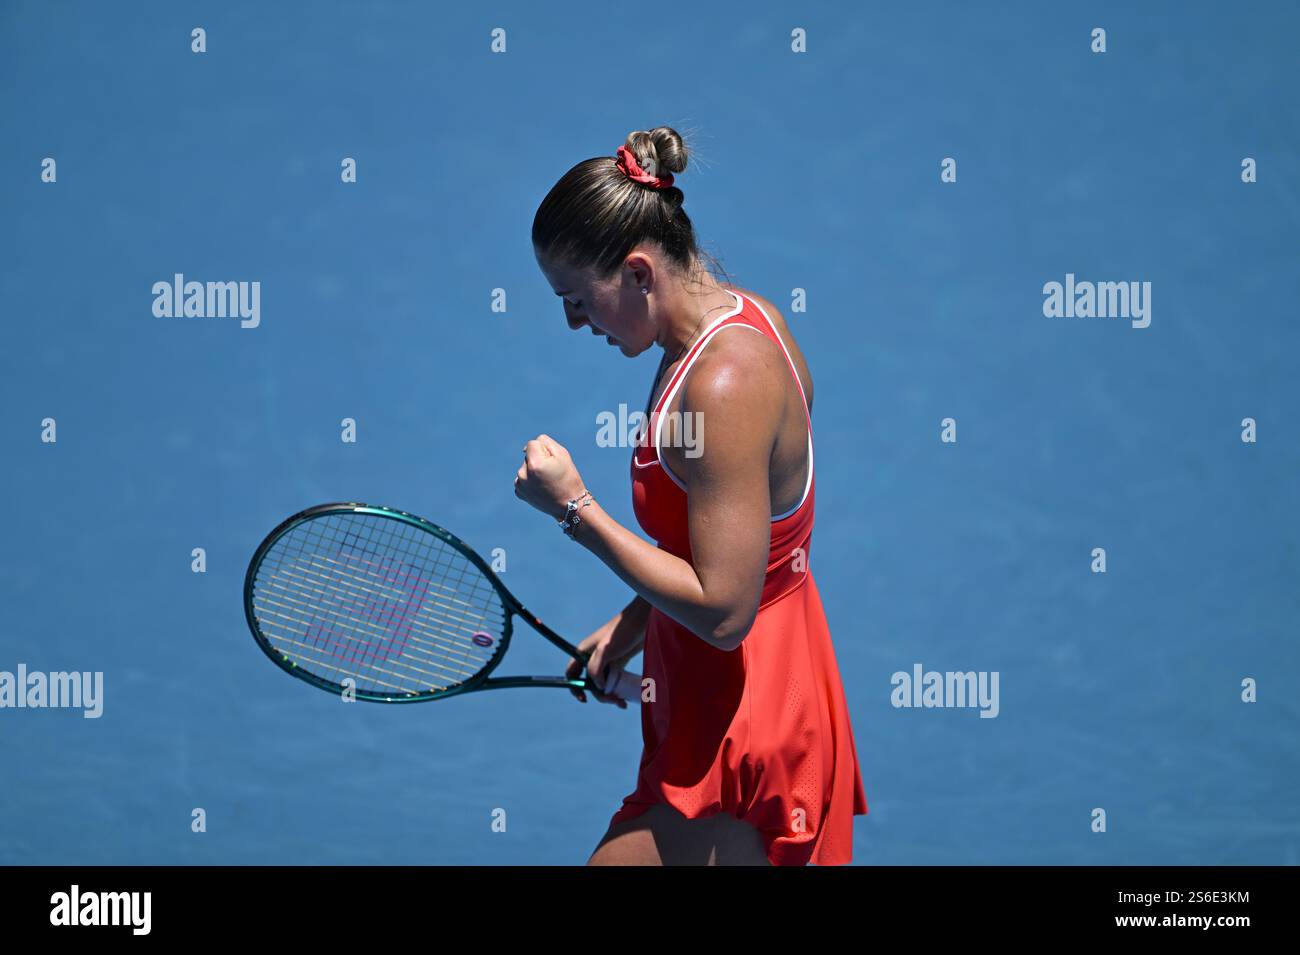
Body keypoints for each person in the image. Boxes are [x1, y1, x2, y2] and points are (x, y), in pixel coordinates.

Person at [515, 126, 867, 865]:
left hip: (750, 728)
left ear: (640, 272)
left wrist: (576, 510)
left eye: (579, 299)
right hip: (717, 694)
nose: (574, 323)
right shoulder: (743, 320)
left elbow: (727, 609)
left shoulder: (721, 386)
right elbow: (728, 537)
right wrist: (636, 624)